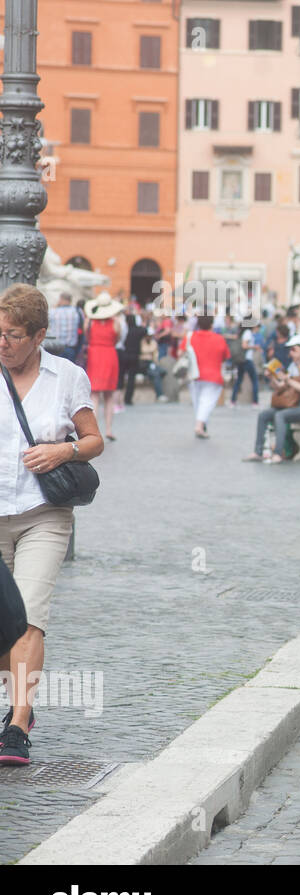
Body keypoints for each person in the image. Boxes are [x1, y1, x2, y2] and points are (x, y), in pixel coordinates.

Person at [0, 284, 104, 766]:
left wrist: (64, 449)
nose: (3, 342)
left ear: (39, 335)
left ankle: (19, 722)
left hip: (44, 514)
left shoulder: (67, 377)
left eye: (14, 335)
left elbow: (93, 440)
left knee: (27, 618)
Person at [244, 333, 300, 463]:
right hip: (292, 404)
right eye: (289, 349)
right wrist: (272, 377)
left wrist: (288, 380)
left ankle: (278, 453)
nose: (291, 352)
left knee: (280, 416)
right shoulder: (293, 366)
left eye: (293, 349)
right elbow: (280, 387)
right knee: (264, 415)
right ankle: (258, 451)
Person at [179, 315, 230, 438]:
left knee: (198, 402)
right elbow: (226, 356)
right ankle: (200, 425)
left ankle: (201, 425)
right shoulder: (219, 339)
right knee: (206, 402)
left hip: (194, 374)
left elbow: (180, 352)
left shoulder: (190, 337)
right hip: (213, 375)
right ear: (212, 325)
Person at [82, 292, 124, 442]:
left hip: (94, 354)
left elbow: (87, 338)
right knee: (109, 395)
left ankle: (94, 430)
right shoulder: (116, 322)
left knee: (94, 396)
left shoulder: (89, 322)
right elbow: (117, 339)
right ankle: (108, 429)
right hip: (110, 355)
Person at [45, 293, 80, 363]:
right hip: (71, 348)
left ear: (61, 300)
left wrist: (56, 306)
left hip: (55, 348)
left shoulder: (53, 312)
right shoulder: (76, 312)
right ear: (70, 301)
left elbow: (46, 323)